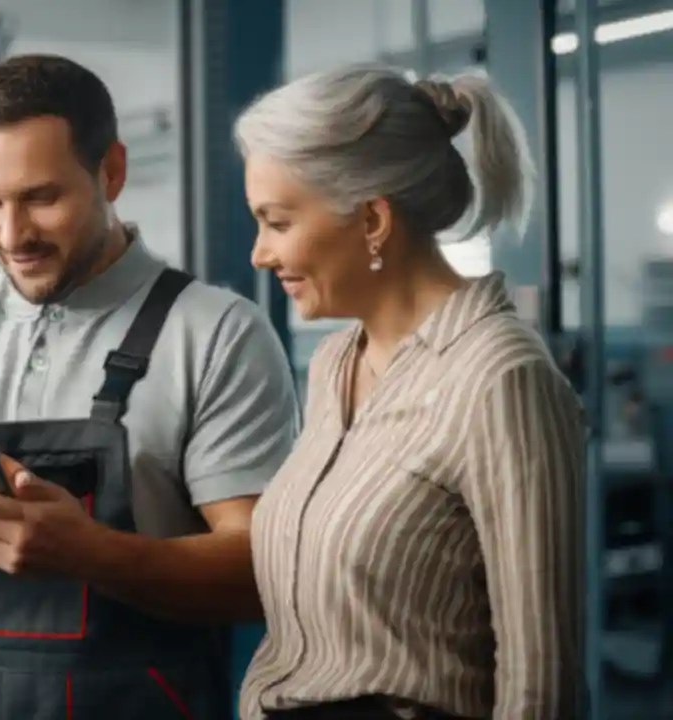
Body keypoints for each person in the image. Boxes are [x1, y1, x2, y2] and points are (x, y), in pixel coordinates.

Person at [0, 54, 298, 719]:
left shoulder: (216, 334)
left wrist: (89, 553)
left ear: (112, 172)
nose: (12, 236)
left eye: (42, 198)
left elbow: (260, 575)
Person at [232, 65, 584, 719]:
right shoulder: (336, 363)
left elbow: (543, 687)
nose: (259, 253)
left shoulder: (499, 377)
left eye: (277, 223)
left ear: (371, 219)